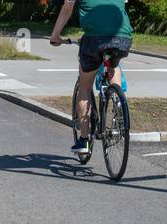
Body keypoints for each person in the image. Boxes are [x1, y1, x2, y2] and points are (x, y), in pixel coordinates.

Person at [49, 0, 133, 154]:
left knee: (85, 87)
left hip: (94, 39)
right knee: (113, 66)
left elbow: (67, 7)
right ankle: (118, 103)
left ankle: (84, 140)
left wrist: (55, 36)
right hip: (122, 38)